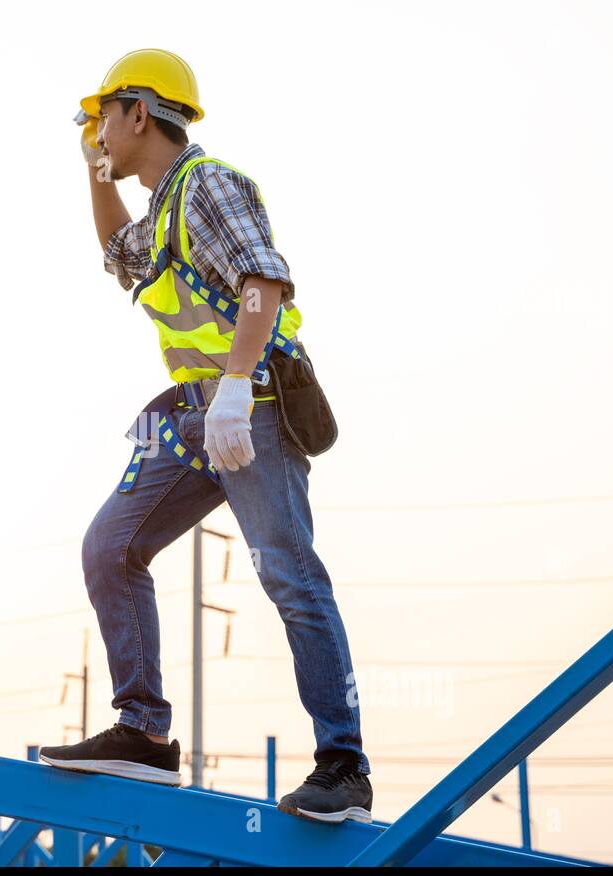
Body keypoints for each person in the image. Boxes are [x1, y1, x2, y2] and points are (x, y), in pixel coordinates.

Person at [37, 49, 373, 825]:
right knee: (109, 548)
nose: (98, 133)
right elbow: (121, 254)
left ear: (140, 113)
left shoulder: (208, 184)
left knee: (288, 574)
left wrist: (231, 389)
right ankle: (144, 732)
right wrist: (94, 173)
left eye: (103, 119)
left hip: (247, 405)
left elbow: (264, 282)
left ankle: (343, 763)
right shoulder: (159, 209)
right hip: (192, 414)